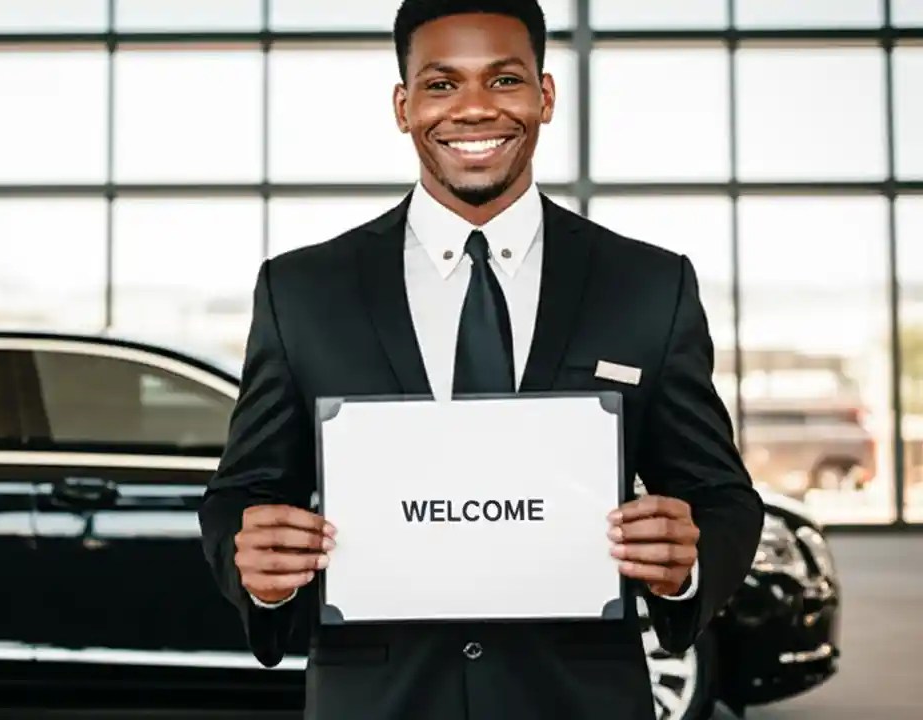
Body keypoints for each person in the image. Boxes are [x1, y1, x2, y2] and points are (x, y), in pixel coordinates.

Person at [197, 0, 764, 717]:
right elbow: (239, 494)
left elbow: (722, 496)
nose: (472, 109)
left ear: (545, 95)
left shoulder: (648, 285)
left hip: (578, 701)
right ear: (403, 107)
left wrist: (687, 565)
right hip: (379, 700)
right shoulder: (303, 290)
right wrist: (256, 566)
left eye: (503, 81)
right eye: (441, 85)